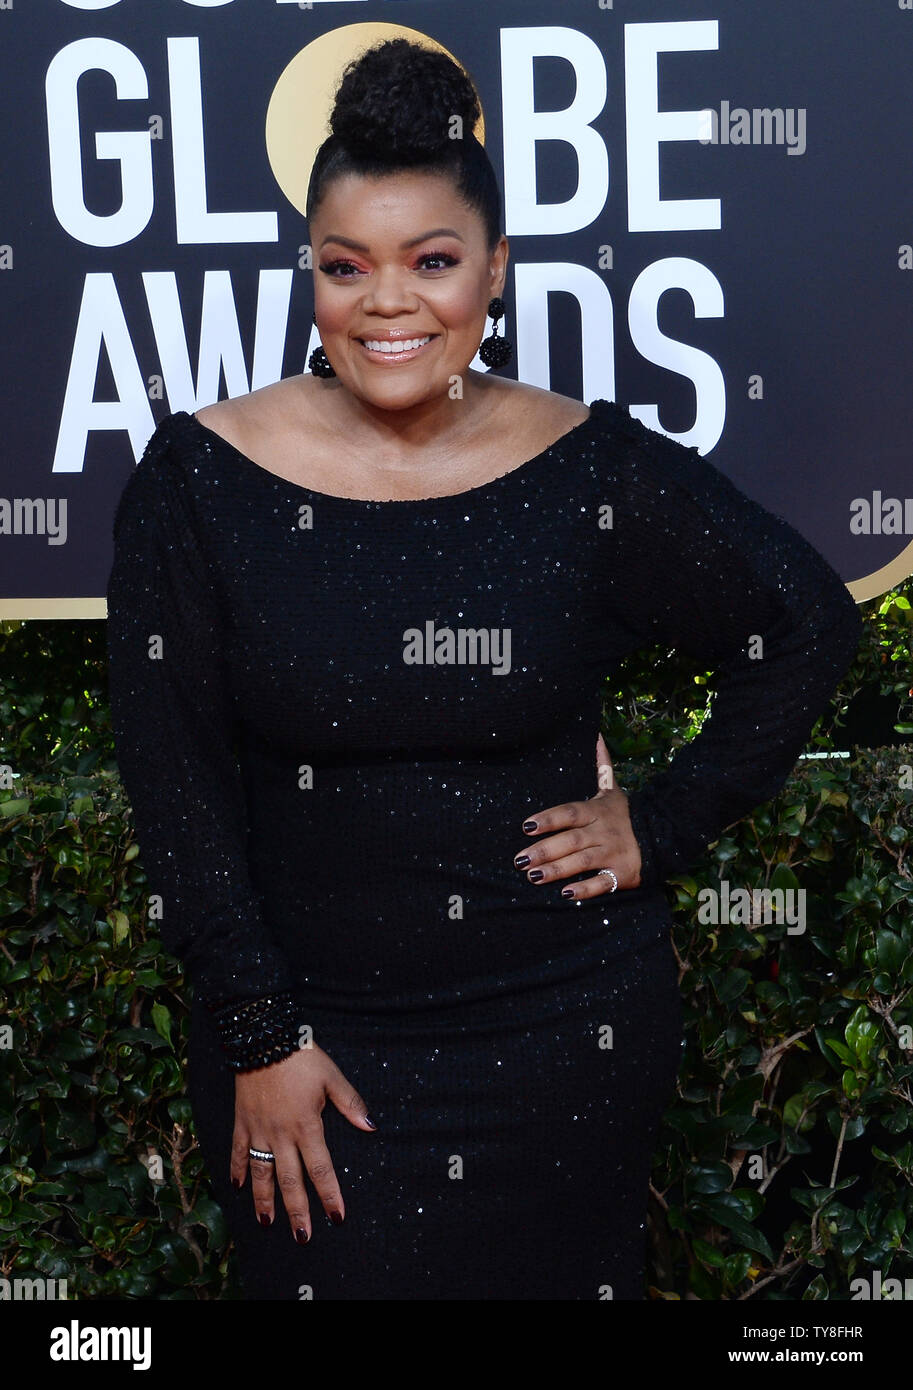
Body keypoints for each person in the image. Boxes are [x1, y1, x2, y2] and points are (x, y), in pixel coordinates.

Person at [105, 37, 863, 1300]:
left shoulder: (584, 466)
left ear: (495, 270)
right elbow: (174, 789)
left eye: (433, 262)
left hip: (564, 1037)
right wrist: (260, 1033)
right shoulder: (199, 484)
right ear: (311, 274)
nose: (388, 302)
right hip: (313, 1050)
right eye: (348, 266)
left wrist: (662, 819)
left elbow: (803, 621)